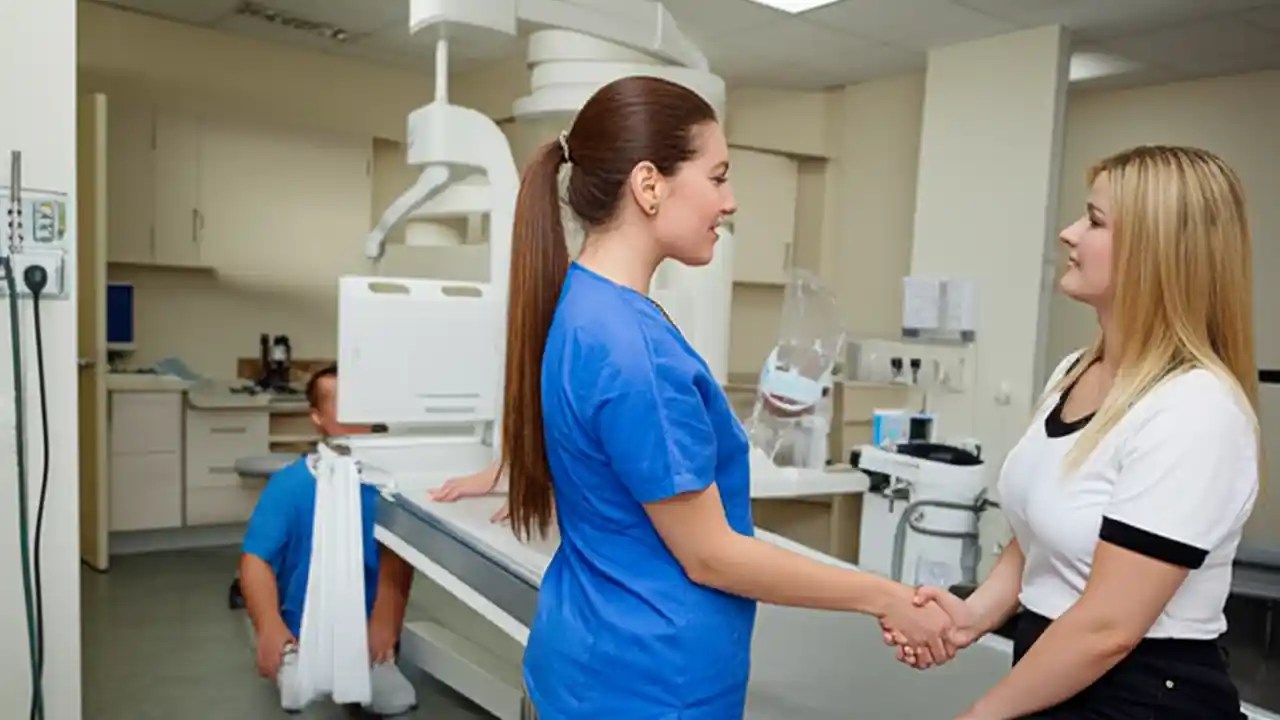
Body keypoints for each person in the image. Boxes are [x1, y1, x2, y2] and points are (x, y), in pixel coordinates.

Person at [498, 75, 955, 719]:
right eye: (717, 177)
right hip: (648, 688)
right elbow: (711, 555)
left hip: (584, 665)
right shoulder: (634, 345)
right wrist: (884, 597)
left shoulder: (584, 309)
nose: (731, 201)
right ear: (650, 185)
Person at [887, 145, 1259, 720]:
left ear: (1154, 254)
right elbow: (1039, 529)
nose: (1068, 232)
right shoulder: (1074, 372)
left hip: (1143, 695)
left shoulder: (1195, 407)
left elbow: (1108, 627)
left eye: (1094, 220)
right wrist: (975, 613)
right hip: (1052, 671)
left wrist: (979, 717)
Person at [240, 364, 418, 715]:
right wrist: (269, 626)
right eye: (340, 403)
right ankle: (293, 654)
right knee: (298, 691)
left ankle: (377, 658)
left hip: (366, 628)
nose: (353, 413)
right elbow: (255, 560)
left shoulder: (388, 487)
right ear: (317, 417)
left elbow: (397, 555)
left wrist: (386, 619)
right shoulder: (290, 486)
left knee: (393, 701)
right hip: (300, 628)